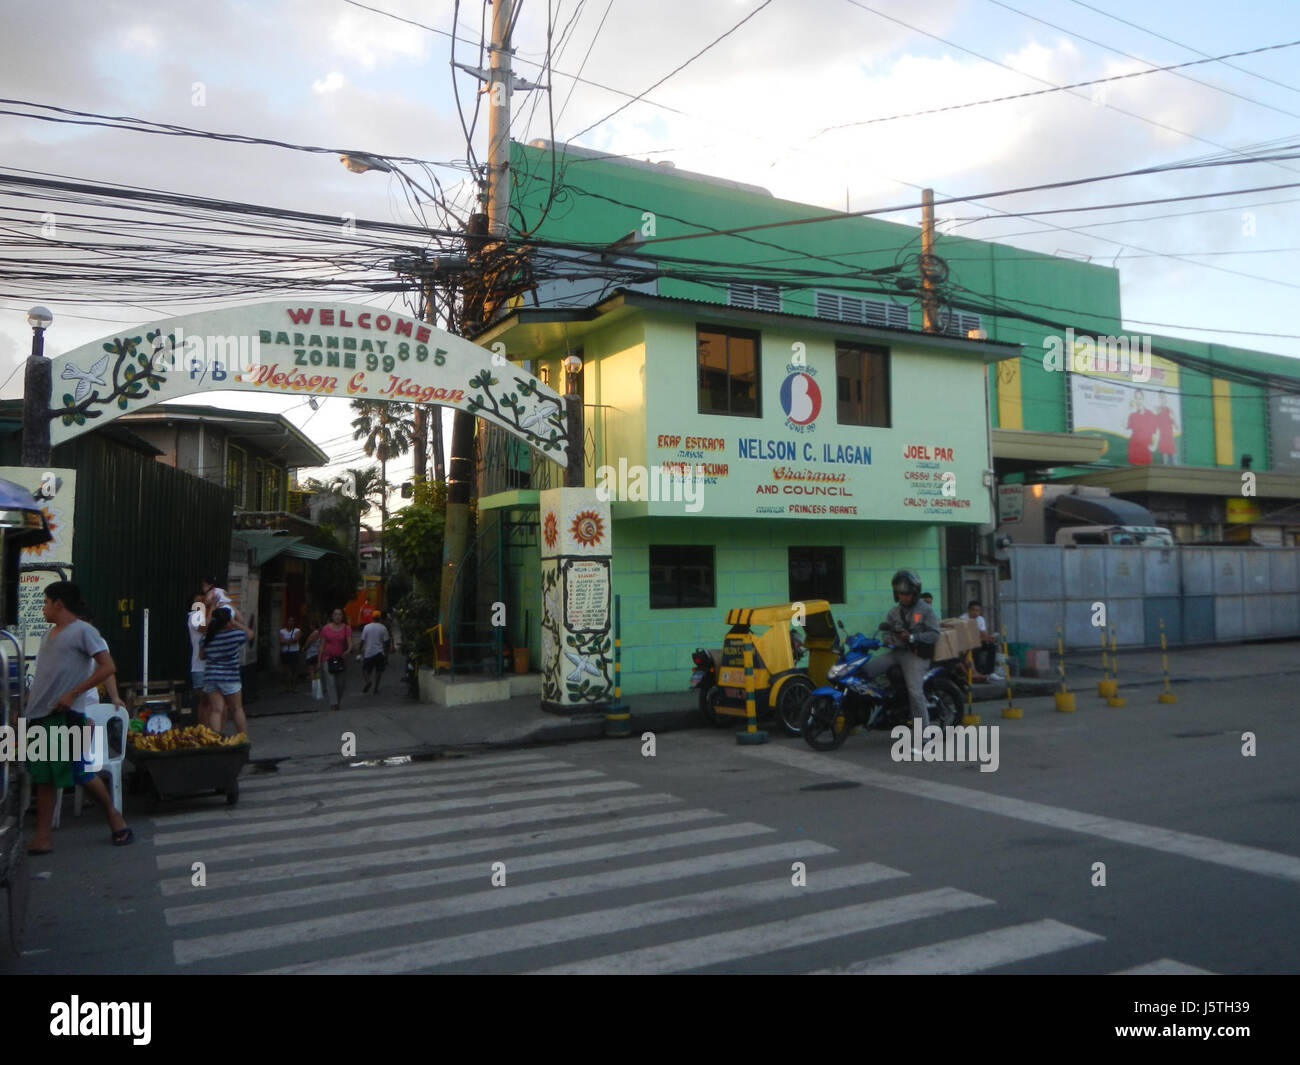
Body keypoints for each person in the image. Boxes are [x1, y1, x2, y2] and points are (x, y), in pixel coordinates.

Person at [22, 581, 133, 855]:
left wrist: (73, 693)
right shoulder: (51, 636)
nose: (43, 608)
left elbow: (108, 667)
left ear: (59, 603)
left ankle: (114, 818)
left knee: (79, 771)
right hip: (41, 716)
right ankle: (43, 837)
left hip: (68, 715)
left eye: (46, 602)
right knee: (45, 777)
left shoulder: (84, 631)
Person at [865, 569, 940, 731]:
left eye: (907, 594)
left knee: (915, 693)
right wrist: (888, 639)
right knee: (866, 670)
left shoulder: (925, 609)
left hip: (916, 655)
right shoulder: (893, 612)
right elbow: (886, 631)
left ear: (915, 593)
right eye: (900, 594)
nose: (903, 597)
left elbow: (934, 634)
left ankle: (924, 734)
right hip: (897, 653)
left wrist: (912, 637)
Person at [200, 606, 254, 736]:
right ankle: (242, 737)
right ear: (228, 621)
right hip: (230, 678)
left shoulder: (206, 638)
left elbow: (202, 656)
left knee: (216, 710)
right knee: (236, 709)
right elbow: (250, 634)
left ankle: (215, 739)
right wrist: (236, 624)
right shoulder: (234, 635)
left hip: (211, 677)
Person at [305, 608, 355, 712]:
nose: (337, 617)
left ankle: (337, 702)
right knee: (330, 682)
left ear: (342, 616)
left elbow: (350, 642)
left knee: (340, 683)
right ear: (332, 616)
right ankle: (334, 705)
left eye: (340, 615)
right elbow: (321, 646)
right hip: (327, 659)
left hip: (341, 659)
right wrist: (319, 662)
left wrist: (348, 651)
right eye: (335, 614)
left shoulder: (346, 628)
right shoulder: (325, 629)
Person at [966, 600, 1003, 683]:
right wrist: (982, 638)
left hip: (977, 641)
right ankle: (978, 673)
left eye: (978, 611)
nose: (975, 613)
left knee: (991, 646)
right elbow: (966, 638)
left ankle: (990, 672)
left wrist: (989, 638)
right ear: (969, 610)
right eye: (973, 610)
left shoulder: (980, 619)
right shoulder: (963, 619)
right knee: (975, 650)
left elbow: (984, 634)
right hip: (966, 644)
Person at [360, 611, 391, 694]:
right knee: (378, 671)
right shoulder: (383, 628)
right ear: (380, 618)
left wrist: (360, 650)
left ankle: (368, 681)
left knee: (365, 670)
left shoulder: (366, 627)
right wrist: (386, 654)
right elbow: (386, 642)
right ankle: (376, 688)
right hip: (379, 652)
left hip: (368, 652)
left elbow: (362, 640)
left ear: (372, 618)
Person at [188, 593, 208, 719]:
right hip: (199, 667)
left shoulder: (207, 616)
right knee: (204, 701)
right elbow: (202, 628)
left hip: (210, 667)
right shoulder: (194, 617)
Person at [1126, 390, 1158, 466]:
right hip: (1134, 452)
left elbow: (1155, 432)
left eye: (1140, 398)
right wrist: (1129, 409)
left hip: (1146, 452)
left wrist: (1154, 446)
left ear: (1143, 400)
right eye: (1136, 399)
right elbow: (1124, 426)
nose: (1138, 401)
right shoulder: (1132, 415)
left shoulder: (1150, 415)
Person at [279, 617, 302, 693]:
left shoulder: (297, 630)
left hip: (294, 652)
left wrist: (286, 641)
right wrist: (290, 641)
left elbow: (296, 639)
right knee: (286, 670)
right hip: (285, 652)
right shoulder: (282, 631)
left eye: (292, 621)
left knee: (294, 670)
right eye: (289, 621)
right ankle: (287, 687)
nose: (290, 623)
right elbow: (281, 641)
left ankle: (294, 686)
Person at [1154, 398, 1179, 465]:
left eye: (1163, 398)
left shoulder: (1169, 411)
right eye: (1161, 398)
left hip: (1170, 442)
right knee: (1164, 466)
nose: (1162, 400)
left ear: (1166, 400)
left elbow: (1177, 427)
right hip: (1162, 443)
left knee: (1175, 464)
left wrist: (1173, 417)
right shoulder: (1157, 413)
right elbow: (1155, 430)